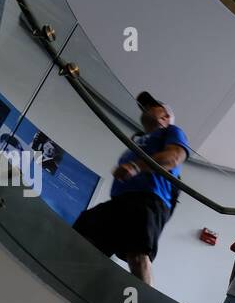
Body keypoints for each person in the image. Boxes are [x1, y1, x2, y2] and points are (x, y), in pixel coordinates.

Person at [73, 92, 190, 285]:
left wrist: (135, 167)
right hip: (121, 201)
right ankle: (82, 286)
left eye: (153, 105)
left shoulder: (172, 131)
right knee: (86, 230)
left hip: (150, 199)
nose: (146, 108)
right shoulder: (138, 141)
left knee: (137, 255)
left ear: (165, 117)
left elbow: (174, 157)